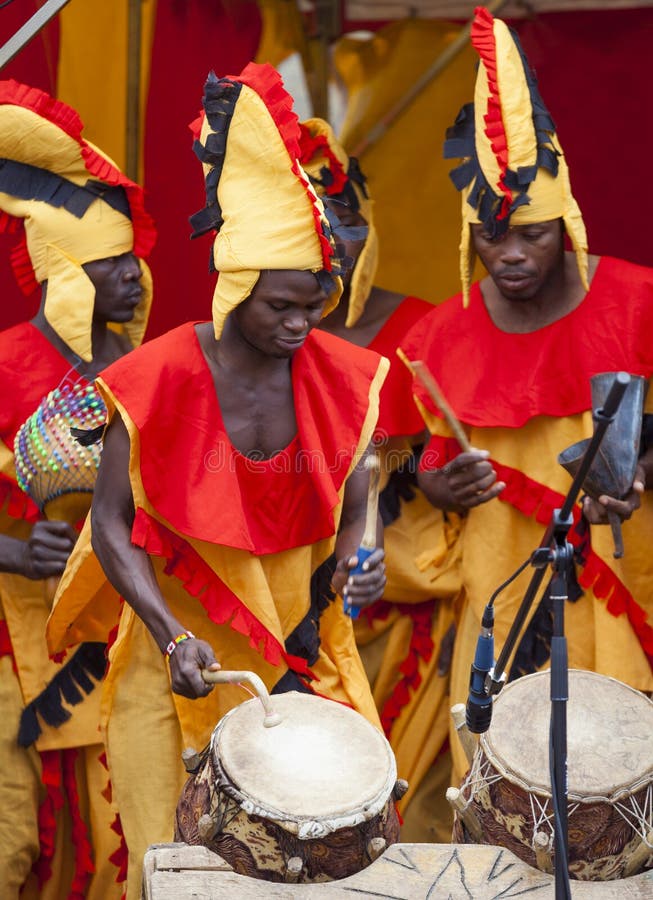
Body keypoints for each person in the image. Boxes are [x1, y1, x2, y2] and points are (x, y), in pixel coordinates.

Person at [47, 63, 389, 899]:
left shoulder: (342, 375)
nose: (302, 324)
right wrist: (169, 636)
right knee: (175, 878)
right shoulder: (156, 376)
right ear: (236, 288)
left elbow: (362, 489)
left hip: (305, 659)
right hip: (174, 664)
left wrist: (364, 551)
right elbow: (110, 524)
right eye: (282, 306)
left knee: (334, 872)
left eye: (315, 304)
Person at [402, 6, 653, 786]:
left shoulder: (638, 300)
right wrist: (431, 481)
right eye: (489, 236)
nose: (508, 255)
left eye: (531, 235)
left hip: (625, 578)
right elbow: (396, 473)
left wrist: (641, 473)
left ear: (567, 223)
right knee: (505, 782)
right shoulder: (436, 337)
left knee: (624, 781)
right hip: (500, 598)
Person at [0, 81, 156, 898]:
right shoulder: (2, 365)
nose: (133, 277)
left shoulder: (150, 368)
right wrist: (15, 549)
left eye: (134, 261)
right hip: (12, 642)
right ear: (61, 270)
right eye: (111, 266)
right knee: (13, 836)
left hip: (127, 637)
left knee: (121, 834)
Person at [297, 118, 461, 841]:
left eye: (350, 216)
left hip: (408, 572)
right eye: (319, 215)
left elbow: (441, 443)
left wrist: (429, 474)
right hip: (300, 561)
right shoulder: (270, 329)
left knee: (411, 781)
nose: (339, 234)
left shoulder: (423, 323)